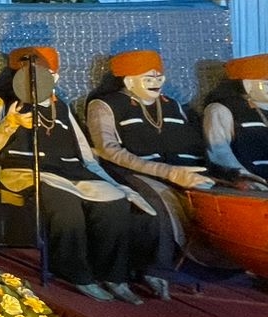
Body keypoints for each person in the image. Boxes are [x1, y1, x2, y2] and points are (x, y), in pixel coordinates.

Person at [0, 46, 162, 303]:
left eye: (47, 73)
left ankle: (113, 275)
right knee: (64, 204)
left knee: (115, 202)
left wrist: (115, 184)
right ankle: (76, 273)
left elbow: (85, 155)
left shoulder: (62, 107)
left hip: (72, 171)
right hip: (25, 171)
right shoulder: (0, 102)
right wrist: (10, 125)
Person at [87, 50, 231, 273]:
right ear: (128, 80)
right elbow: (109, 150)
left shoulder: (173, 105)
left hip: (185, 170)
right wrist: (167, 172)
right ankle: (156, 270)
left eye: (159, 78)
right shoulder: (104, 105)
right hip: (132, 171)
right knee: (159, 203)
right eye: (148, 78)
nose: (156, 83)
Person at [203, 53, 268, 188]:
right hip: (248, 188)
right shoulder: (220, 109)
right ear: (248, 84)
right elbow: (219, 153)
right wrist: (247, 178)